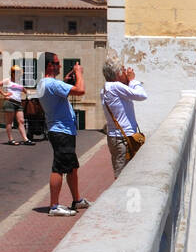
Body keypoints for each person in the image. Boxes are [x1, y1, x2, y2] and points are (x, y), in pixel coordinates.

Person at [36, 52, 90, 217]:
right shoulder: (52, 84)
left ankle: (77, 200)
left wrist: (65, 82)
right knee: (59, 167)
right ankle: (54, 206)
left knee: (72, 167)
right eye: (58, 63)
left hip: (60, 129)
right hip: (62, 131)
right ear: (50, 65)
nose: (60, 66)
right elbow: (80, 90)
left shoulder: (43, 83)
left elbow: (56, 93)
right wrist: (79, 73)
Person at [101, 58, 147, 179]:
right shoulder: (115, 86)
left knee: (124, 173)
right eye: (123, 70)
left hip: (117, 137)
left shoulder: (106, 88)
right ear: (117, 74)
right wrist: (133, 80)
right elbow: (142, 95)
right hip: (123, 138)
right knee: (122, 177)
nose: (125, 72)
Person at [3, 65, 34, 145]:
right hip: (10, 102)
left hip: (18, 103)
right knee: (9, 122)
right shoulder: (8, 80)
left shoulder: (19, 83)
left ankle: (25, 140)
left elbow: (25, 91)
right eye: (17, 73)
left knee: (21, 121)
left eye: (19, 73)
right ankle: (11, 140)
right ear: (12, 73)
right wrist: (4, 94)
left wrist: (33, 94)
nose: (19, 74)